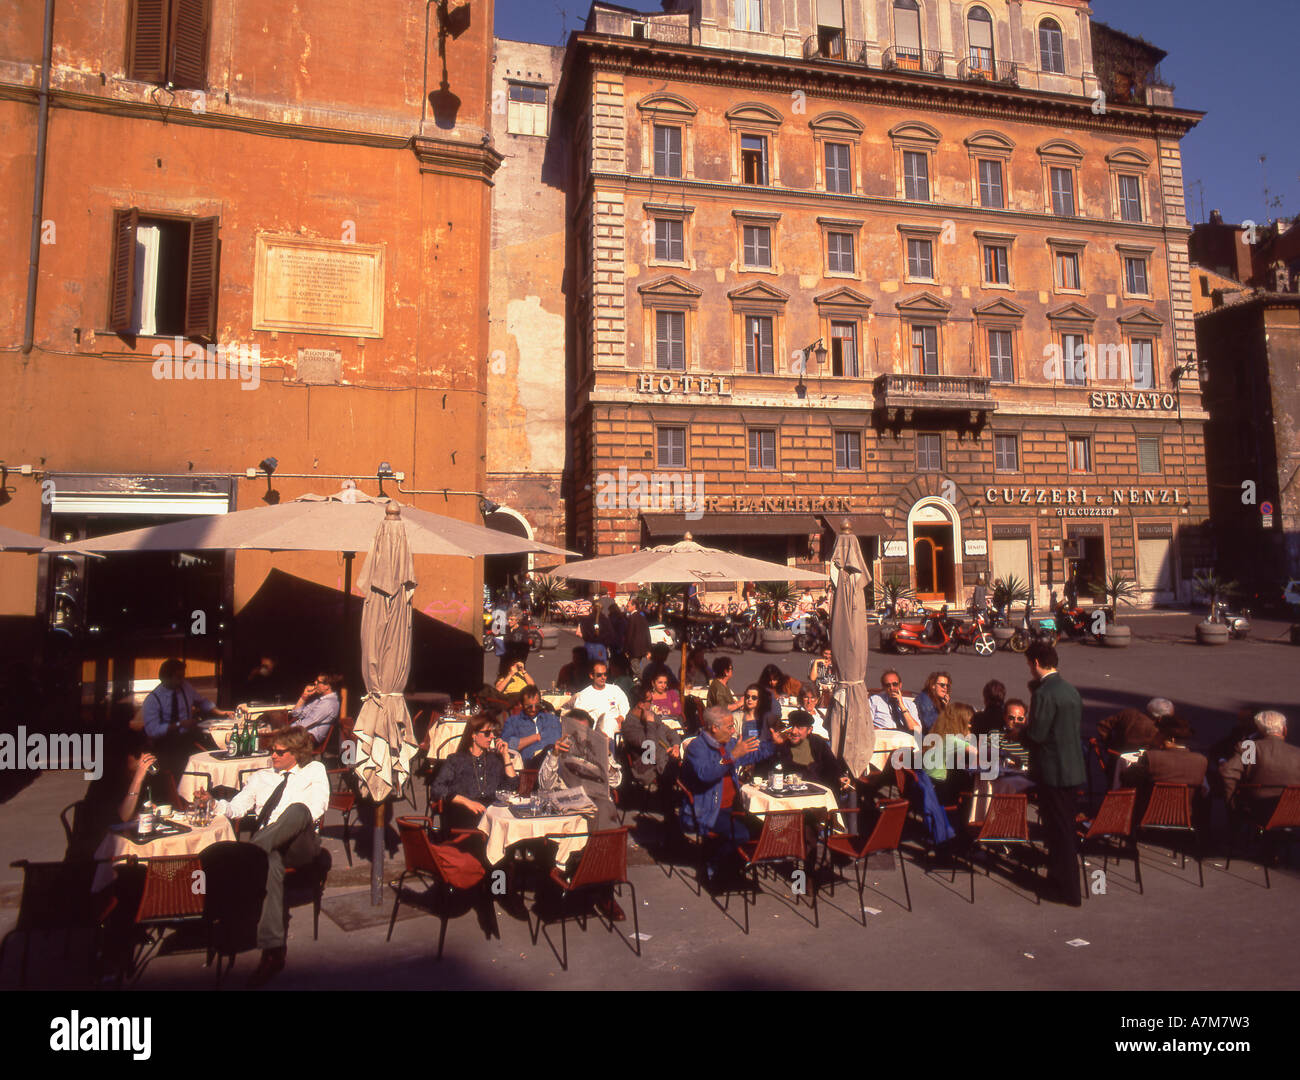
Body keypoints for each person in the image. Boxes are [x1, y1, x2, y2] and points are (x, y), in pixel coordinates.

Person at [193, 727, 329, 986]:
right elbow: (236, 808)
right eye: (271, 751)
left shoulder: (314, 771)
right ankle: (273, 951)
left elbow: (317, 807)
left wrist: (281, 825)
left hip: (300, 839)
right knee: (271, 863)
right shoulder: (261, 776)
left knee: (298, 809)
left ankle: (247, 855)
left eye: (279, 752)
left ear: (297, 753)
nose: (273, 756)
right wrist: (213, 802)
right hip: (270, 846)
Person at [679, 706, 785, 877]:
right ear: (714, 727)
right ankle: (714, 861)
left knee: (766, 826)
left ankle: (733, 861)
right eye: (729, 726)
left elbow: (751, 754)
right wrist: (732, 756)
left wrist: (772, 744)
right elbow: (706, 774)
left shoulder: (728, 743)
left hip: (733, 805)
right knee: (741, 834)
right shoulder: (697, 747)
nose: (733, 730)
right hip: (708, 809)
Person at [1024, 642, 1085, 906]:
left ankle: (1067, 889)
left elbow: (1037, 734)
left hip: (1054, 770)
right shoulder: (1070, 690)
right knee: (1066, 829)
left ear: (1036, 662)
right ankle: (1059, 880)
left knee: (1059, 833)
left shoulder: (1044, 692)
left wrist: (1020, 734)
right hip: (1072, 768)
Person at [73, 731, 158, 859]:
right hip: (99, 850)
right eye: (136, 755)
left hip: (121, 839)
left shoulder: (129, 776)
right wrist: (138, 778)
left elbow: (131, 815)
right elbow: (122, 817)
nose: (141, 759)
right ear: (123, 757)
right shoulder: (106, 781)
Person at [429, 712, 519, 831]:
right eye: (487, 733)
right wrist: (466, 802)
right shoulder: (456, 760)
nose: (492, 736)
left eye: (494, 733)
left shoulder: (494, 760)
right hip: (463, 817)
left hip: (492, 816)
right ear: (473, 735)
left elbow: (512, 786)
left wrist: (505, 756)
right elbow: (437, 789)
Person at [142, 658, 233, 776]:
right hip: (167, 745)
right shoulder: (152, 700)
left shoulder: (185, 687)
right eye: (178, 677)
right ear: (166, 678)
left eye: (183, 676)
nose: (182, 680)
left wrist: (220, 713)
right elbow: (152, 730)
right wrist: (179, 725)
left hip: (188, 739)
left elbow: (202, 702)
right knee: (175, 773)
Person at [1219, 710, 1300, 822]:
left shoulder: (1251, 748)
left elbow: (1229, 773)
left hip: (1258, 809)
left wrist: (1231, 803)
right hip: (1293, 811)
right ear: (1284, 730)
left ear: (1258, 730)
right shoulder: (1297, 753)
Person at [759, 710, 849, 792]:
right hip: (787, 792)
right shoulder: (783, 742)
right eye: (792, 726)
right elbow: (767, 770)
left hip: (815, 791)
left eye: (799, 728)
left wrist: (840, 776)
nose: (794, 731)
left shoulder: (818, 742)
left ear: (809, 730)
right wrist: (775, 745)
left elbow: (832, 764)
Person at [621, 686, 683, 794]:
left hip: (666, 757)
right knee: (688, 769)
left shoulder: (651, 715)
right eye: (650, 701)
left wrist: (676, 746)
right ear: (641, 704)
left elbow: (670, 732)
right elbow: (650, 747)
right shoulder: (629, 726)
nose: (652, 704)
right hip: (649, 765)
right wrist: (650, 723)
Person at [925, 702, 978, 806]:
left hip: (931, 783)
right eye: (969, 722)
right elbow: (977, 752)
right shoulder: (952, 740)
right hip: (939, 790)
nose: (971, 725)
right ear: (960, 722)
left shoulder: (941, 736)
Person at [566, 661, 630, 740]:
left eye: (605, 674)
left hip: (615, 729)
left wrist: (621, 717)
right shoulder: (584, 695)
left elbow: (625, 705)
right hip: (595, 733)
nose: (603, 677)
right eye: (599, 675)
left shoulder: (615, 689)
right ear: (591, 675)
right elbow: (579, 718)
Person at [502, 686, 563, 767]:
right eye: (529, 706)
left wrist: (523, 741)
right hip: (531, 762)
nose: (533, 709)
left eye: (537, 705)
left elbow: (556, 739)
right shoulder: (513, 721)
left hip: (553, 759)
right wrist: (536, 737)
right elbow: (506, 745)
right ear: (521, 704)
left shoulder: (551, 719)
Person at [288, 672, 343, 746]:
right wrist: (304, 696)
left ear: (327, 686)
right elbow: (296, 714)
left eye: (318, 681)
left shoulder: (329, 703)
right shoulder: (319, 699)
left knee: (277, 738)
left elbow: (306, 723)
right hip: (302, 733)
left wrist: (285, 730)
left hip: (310, 738)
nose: (315, 682)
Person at [992, 699, 1034, 794]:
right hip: (1001, 782)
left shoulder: (1031, 739)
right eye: (1011, 718)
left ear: (1025, 719)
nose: (1016, 721)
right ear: (1004, 717)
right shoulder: (995, 736)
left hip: (1025, 782)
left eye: (1020, 719)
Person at [869, 669, 921, 736]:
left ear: (900, 685)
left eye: (895, 684)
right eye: (888, 685)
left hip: (905, 739)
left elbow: (917, 731)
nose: (891, 688)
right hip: (884, 738)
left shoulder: (910, 704)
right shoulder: (875, 700)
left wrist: (902, 706)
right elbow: (865, 724)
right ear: (883, 687)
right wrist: (880, 730)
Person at [624, 597, 652, 674]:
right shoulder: (642, 617)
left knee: (636, 669)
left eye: (628, 606)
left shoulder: (632, 618)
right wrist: (648, 649)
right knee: (635, 668)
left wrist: (626, 649)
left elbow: (629, 634)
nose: (626, 607)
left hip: (634, 649)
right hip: (642, 648)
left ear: (634, 606)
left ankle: (645, 682)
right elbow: (647, 633)